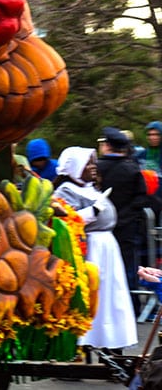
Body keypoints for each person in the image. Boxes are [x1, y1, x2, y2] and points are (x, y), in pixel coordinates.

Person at [52, 146, 136, 351]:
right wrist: (92, 211)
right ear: (74, 167)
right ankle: (87, 340)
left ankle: (113, 341)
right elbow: (67, 220)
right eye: (87, 163)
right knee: (94, 293)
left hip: (107, 246)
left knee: (112, 294)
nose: (92, 167)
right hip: (90, 247)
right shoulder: (65, 191)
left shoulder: (91, 188)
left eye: (93, 162)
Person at [96, 127, 150, 297]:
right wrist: (125, 217)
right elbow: (141, 198)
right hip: (126, 227)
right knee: (127, 269)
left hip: (99, 227)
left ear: (107, 146)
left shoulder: (96, 168)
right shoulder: (132, 169)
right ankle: (131, 303)